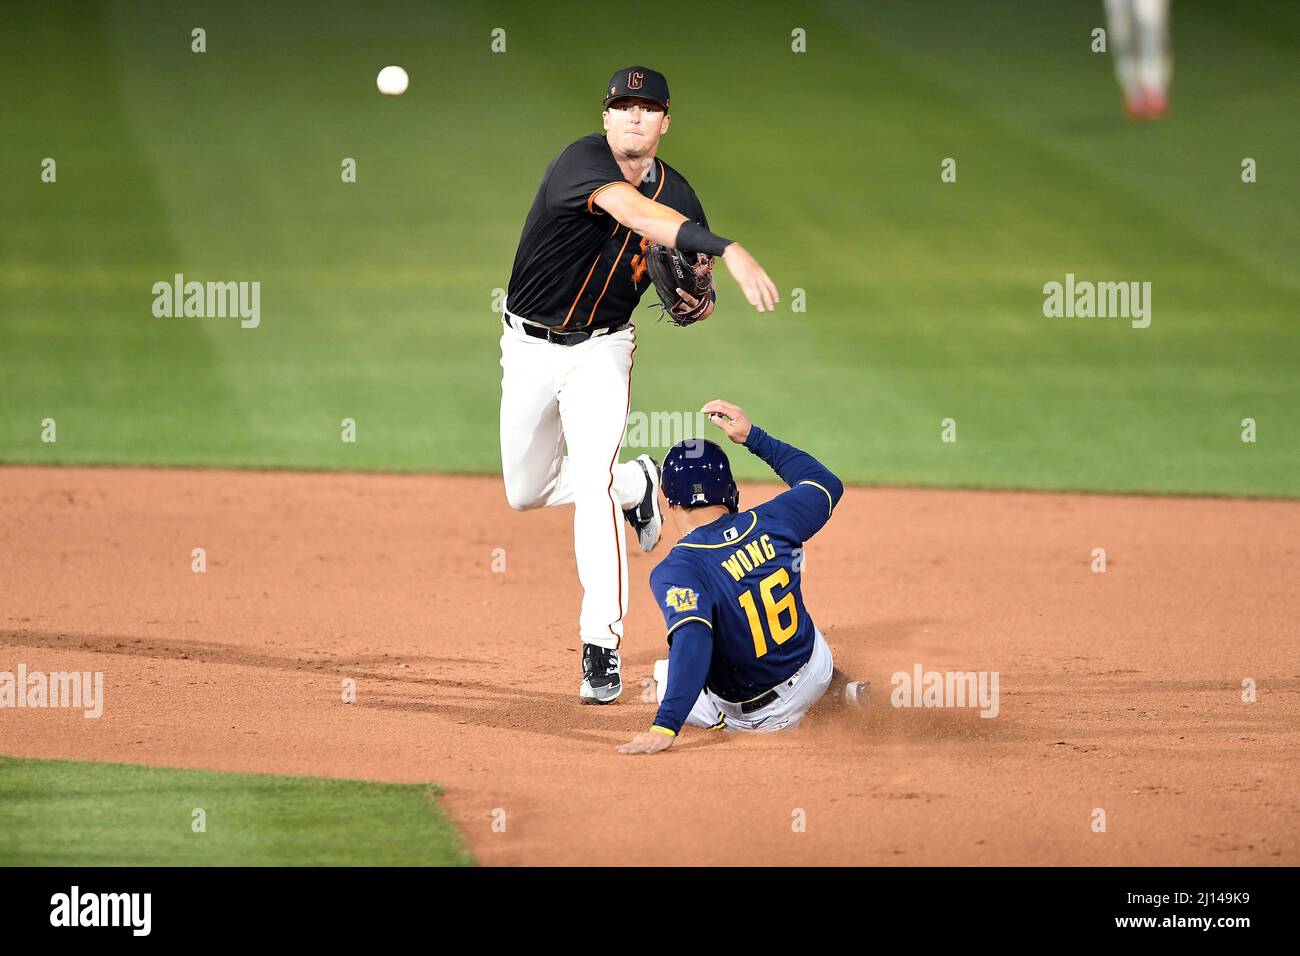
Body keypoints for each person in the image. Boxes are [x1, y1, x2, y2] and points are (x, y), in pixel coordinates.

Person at [499, 67, 779, 705]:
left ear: (665, 122)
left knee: (589, 479)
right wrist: (730, 249)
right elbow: (630, 212)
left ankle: (600, 647)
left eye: (647, 108)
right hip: (528, 346)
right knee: (523, 490)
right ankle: (640, 484)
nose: (633, 117)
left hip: (602, 350)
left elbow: (690, 298)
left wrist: (696, 297)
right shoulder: (580, 162)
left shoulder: (680, 194)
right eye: (623, 106)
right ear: (605, 117)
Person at [618, 400, 866, 755]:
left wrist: (666, 724)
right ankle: (840, 691)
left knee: (665, 675)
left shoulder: (677, 570)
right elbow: (825, 483)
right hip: (816, 668)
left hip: (766, 717)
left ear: (670, 502)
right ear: (731, 492)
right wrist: (754, 437)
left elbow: (693, 640)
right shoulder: (773, 519)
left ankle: (783, 715)